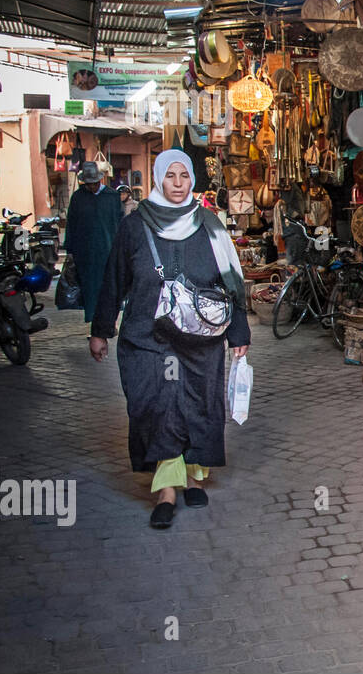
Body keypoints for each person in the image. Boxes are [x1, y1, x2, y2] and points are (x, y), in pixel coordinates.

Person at [89, 150, 251, 529]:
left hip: (200, 336)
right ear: (159, 180)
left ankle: (194, 477)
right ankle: (165, 491)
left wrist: (238, 332)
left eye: (183, 176)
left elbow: (232, 281)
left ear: (192, 180)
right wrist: (100, 330)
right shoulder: (135, 226)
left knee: (197, 404)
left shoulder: (209, 224)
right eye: (170, 176)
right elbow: (114, 279)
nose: (177, 184)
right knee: (156, 406)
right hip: (147, 335)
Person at [64, 161, 123, 322]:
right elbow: (71, 223)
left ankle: (108, 320)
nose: (92, 187)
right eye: (88, 184)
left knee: (109, 287)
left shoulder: (112, 197)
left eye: (94, 183)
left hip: (108, 250)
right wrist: (69, 249)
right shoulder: (78, 197)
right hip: (85, 252)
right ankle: (93, 321)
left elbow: (120, 223)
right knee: (89, 288)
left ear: (100, 180)